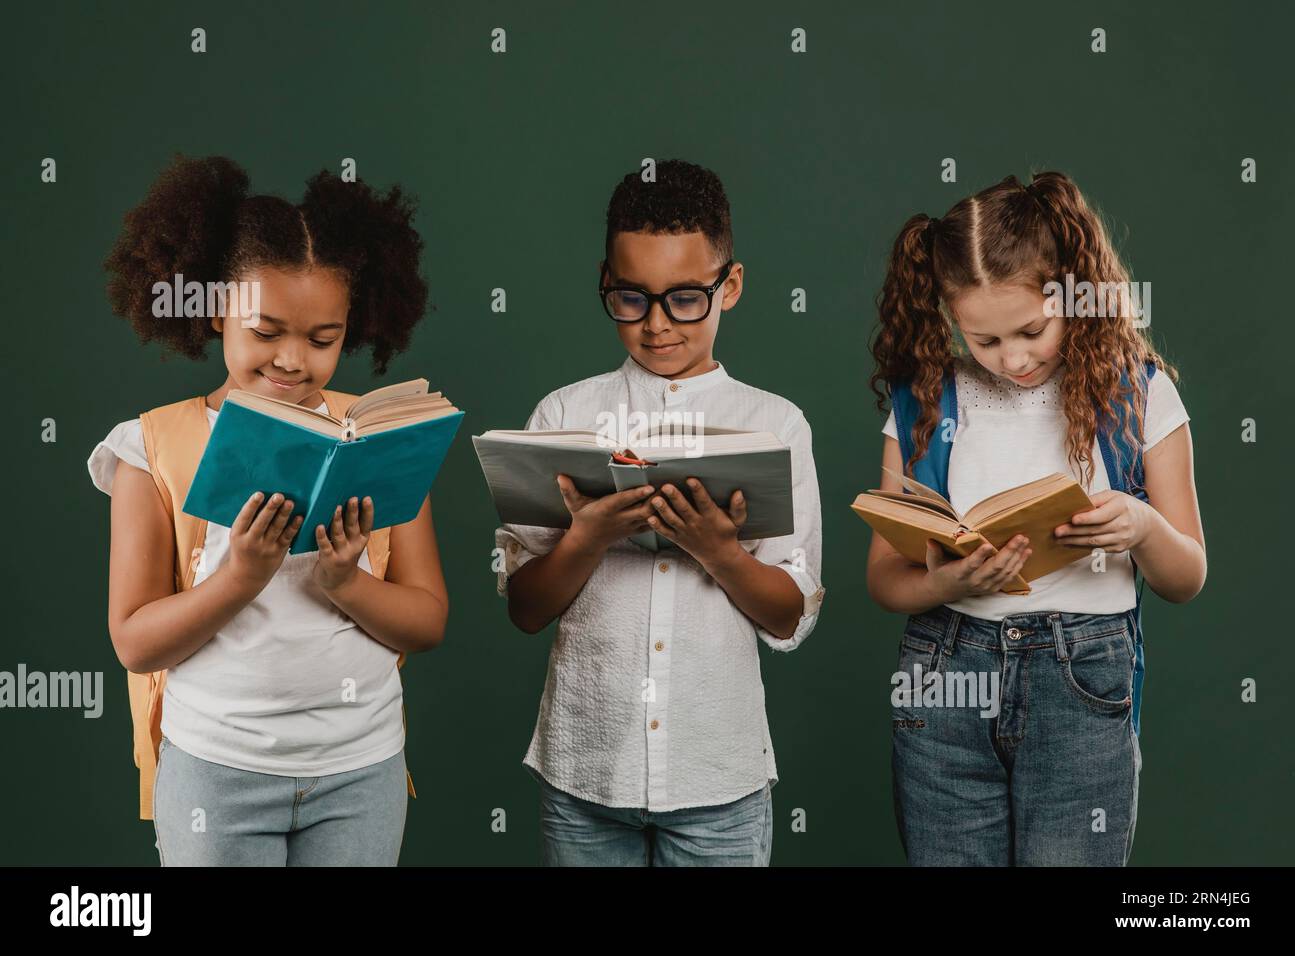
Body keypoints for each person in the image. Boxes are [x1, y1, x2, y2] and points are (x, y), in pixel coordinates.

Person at [88, 154, 448, 865]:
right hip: (216, 771)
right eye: (264, 331)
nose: (293, 361)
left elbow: (428, 619)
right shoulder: (151, 447)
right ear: (216, 309)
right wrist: (240, 578)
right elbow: (134, 641)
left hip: (361, 769)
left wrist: (347, 583)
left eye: (323, 340)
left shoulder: (379, 437)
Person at [866, 171, 1206, 866]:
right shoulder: (926, 402)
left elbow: (1187, 576)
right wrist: (948, 581)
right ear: (951, 319)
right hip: (943, 673)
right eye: (983, 341)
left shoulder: (1140, 392)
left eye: (1031, 330)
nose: (1012, 358)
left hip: (1081, 677)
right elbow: (883, 578)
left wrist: (1141, 527)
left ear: (1073, 294)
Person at [495, 159, 825, 866]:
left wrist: (720, 550)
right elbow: (524, 607)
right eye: (631, 298)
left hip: (719, 777)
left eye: (684, 299)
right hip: (586, 769)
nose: (655, 325)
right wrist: (586, 537)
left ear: (728, 287)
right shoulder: (563, 415)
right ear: (604, 285)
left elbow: (790, 613)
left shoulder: (777, 426)